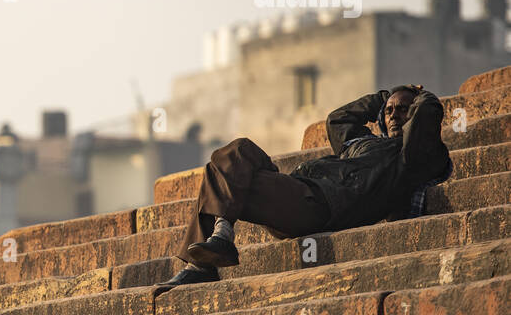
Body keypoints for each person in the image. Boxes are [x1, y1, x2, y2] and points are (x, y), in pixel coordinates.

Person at [154, 84, 452, 294]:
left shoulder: (408, 157)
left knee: (226, 165)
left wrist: (419, 94)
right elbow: (338, 119)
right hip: (299, 192)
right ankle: (219, 237)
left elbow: (427, 116)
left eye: (403, 110)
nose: (394, 115)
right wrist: (383, 96)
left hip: (320, 206)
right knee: (233, 155)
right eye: (389, 110)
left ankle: (208, 257)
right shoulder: (361, 143)